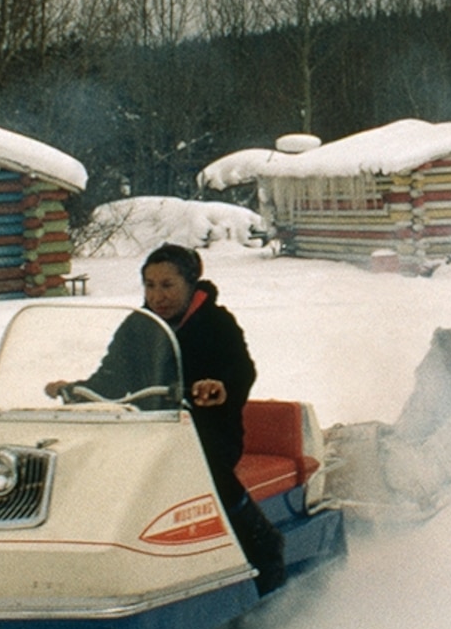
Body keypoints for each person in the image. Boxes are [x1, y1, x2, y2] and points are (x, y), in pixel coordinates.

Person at [49, 244, 287, 594]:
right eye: (149, 285)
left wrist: (219, 386)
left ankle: (265, 550)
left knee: (206, 474)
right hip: (144, 431)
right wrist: (77, 390)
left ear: (191, 283)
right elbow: (112, 375)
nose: (157, 295)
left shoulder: (217, 322)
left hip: (207, 431)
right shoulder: (137, 327)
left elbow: (241, 370)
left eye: (167, 285)